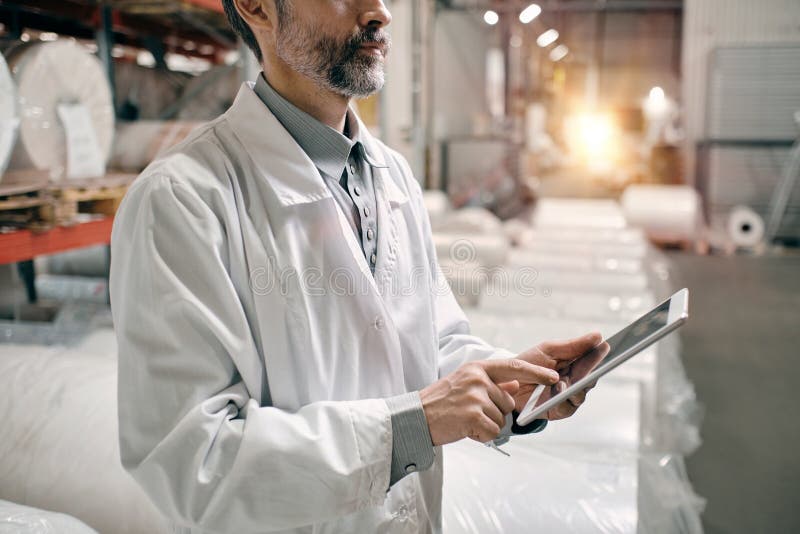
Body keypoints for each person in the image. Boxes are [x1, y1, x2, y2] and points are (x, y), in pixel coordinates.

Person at [109, 1, 602, 532]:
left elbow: (428, 343)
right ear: (257, 8)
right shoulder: (182, 201)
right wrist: (411, 426)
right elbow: (192, 463)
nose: (381, 12)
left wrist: (509, 382)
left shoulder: (393, 174)